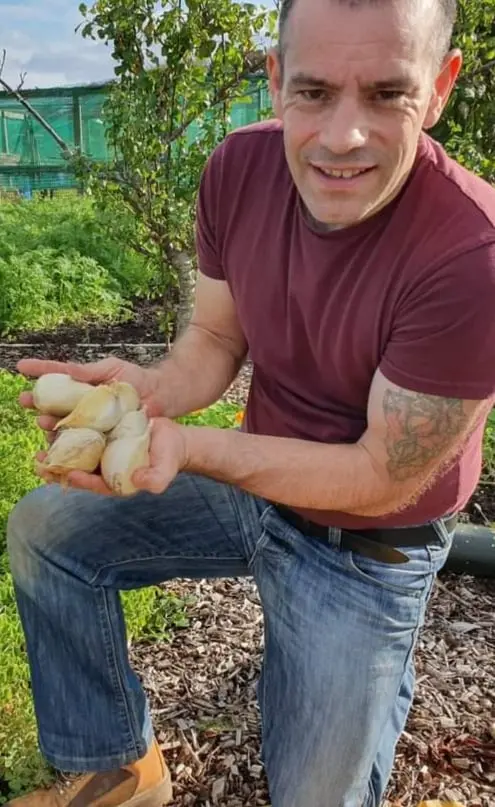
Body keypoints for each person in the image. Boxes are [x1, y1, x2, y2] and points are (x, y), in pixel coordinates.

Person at [6, 0, 495, 804]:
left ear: (439, 87)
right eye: (313, 92)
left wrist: (191, 447)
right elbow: (212, 338)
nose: (341, 136)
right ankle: (126, 768)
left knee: (316, 792)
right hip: (256, 487)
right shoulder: (239, 169)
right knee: (48, 531)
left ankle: (372, 681)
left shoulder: (471, 255)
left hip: (367, 544)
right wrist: (149, 392)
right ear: (274, 80)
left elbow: (377, 478)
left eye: (385, 94)